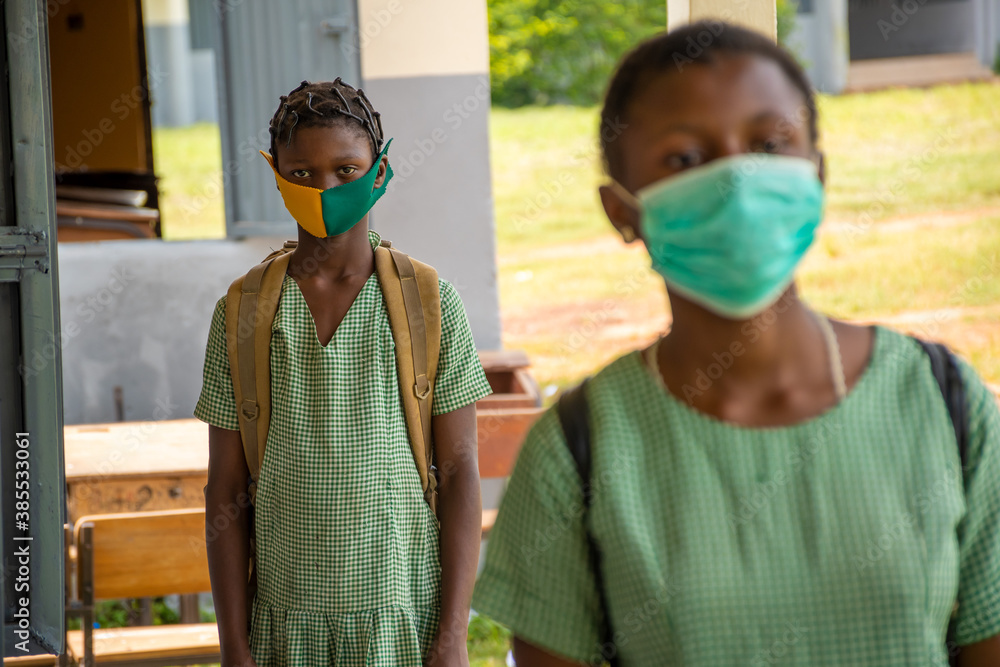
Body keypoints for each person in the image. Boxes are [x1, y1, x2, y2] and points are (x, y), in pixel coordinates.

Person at [472, 22, 1000, 667]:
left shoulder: (944, 404)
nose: (737, 181)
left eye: (769, 145)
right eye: (684, 159)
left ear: (817, 175)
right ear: (622, 211)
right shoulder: (579, 450)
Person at [197, 79, 492, 667]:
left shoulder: (428, 302)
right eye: (302, 174)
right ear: (276, 175)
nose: (325, 189)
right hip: (285, 628)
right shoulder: (244, 311)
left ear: (379, 172)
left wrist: (452, 638)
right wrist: (234, 647)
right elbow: (224, 489)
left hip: (402, 621)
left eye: (346, 170)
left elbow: (460, 473)